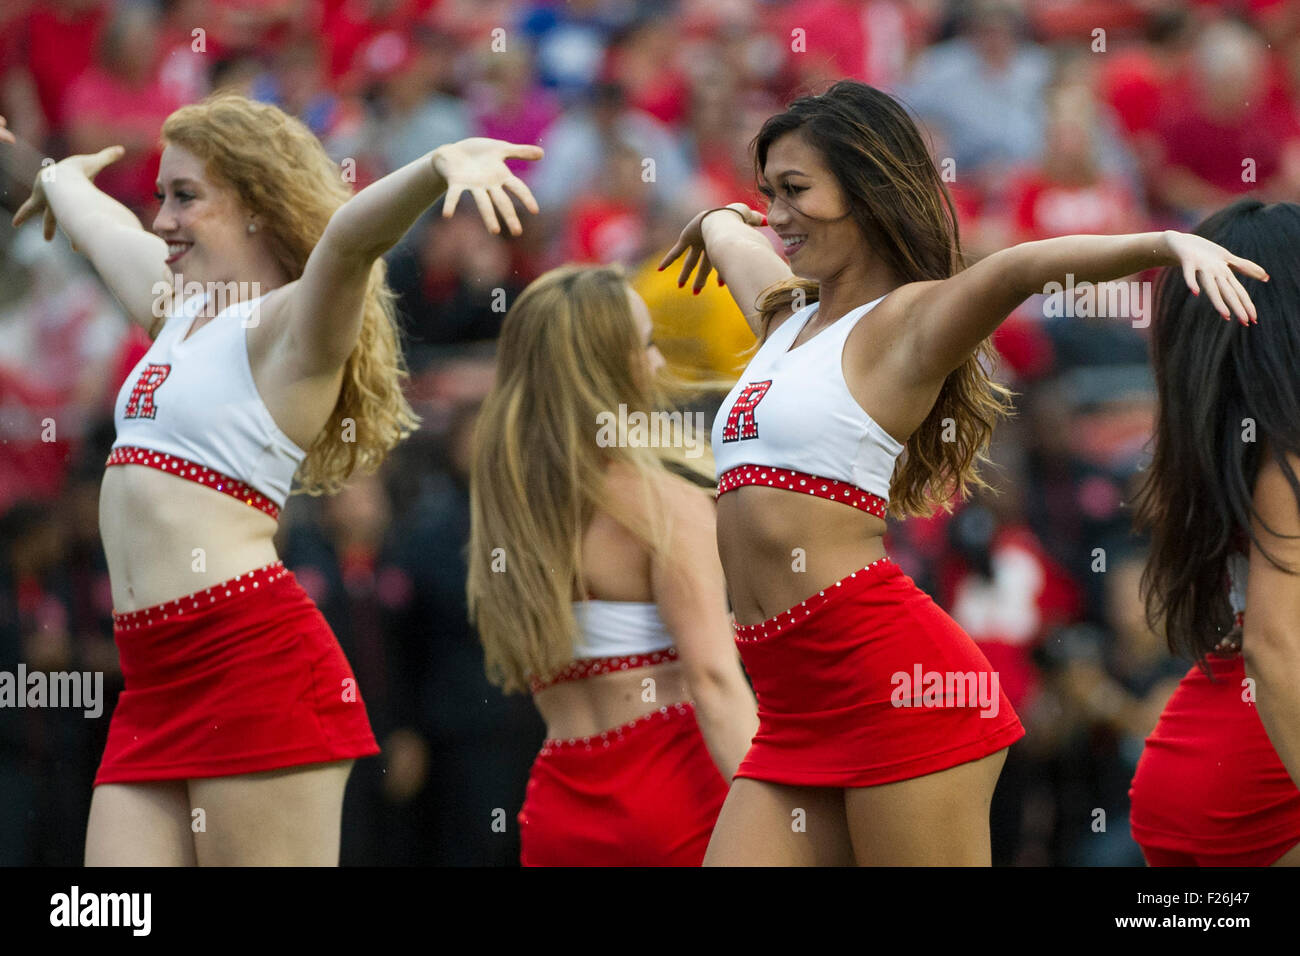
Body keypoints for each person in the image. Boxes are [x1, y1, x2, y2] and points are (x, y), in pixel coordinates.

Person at [659, 78, 1263, 866]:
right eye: (768, 192)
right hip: (793, 707)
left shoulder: (909, 322)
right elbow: (730, 237)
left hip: (895, 688)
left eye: (796, 190)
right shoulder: (783, 317)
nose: (776, 215)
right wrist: (712, 220)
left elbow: (1019, 271)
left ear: (865, 190)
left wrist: (1164, 245)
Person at [10, 90, 542, 865]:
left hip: (249, 667)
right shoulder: (178, 313)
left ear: (257, 204)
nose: (162, 220)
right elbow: (99, 227)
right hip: (152, 683)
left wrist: (435, 167)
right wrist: (45, 176)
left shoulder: (291, 329)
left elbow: (351, 240)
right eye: (160, 197)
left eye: (186, 197)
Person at [465, 264, 758, 866]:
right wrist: (788, 821)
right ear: (607, 366)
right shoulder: (661, 504)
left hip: (557, 814)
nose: (656, 364)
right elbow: (714, 682)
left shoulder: (514, 509)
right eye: (646, 345)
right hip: (676, 802)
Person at [1129, 198, 1300, 867]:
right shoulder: (1287, 462)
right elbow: (1276, 645)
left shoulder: (1243, 453)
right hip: (1266, 781)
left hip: (1200, 762)